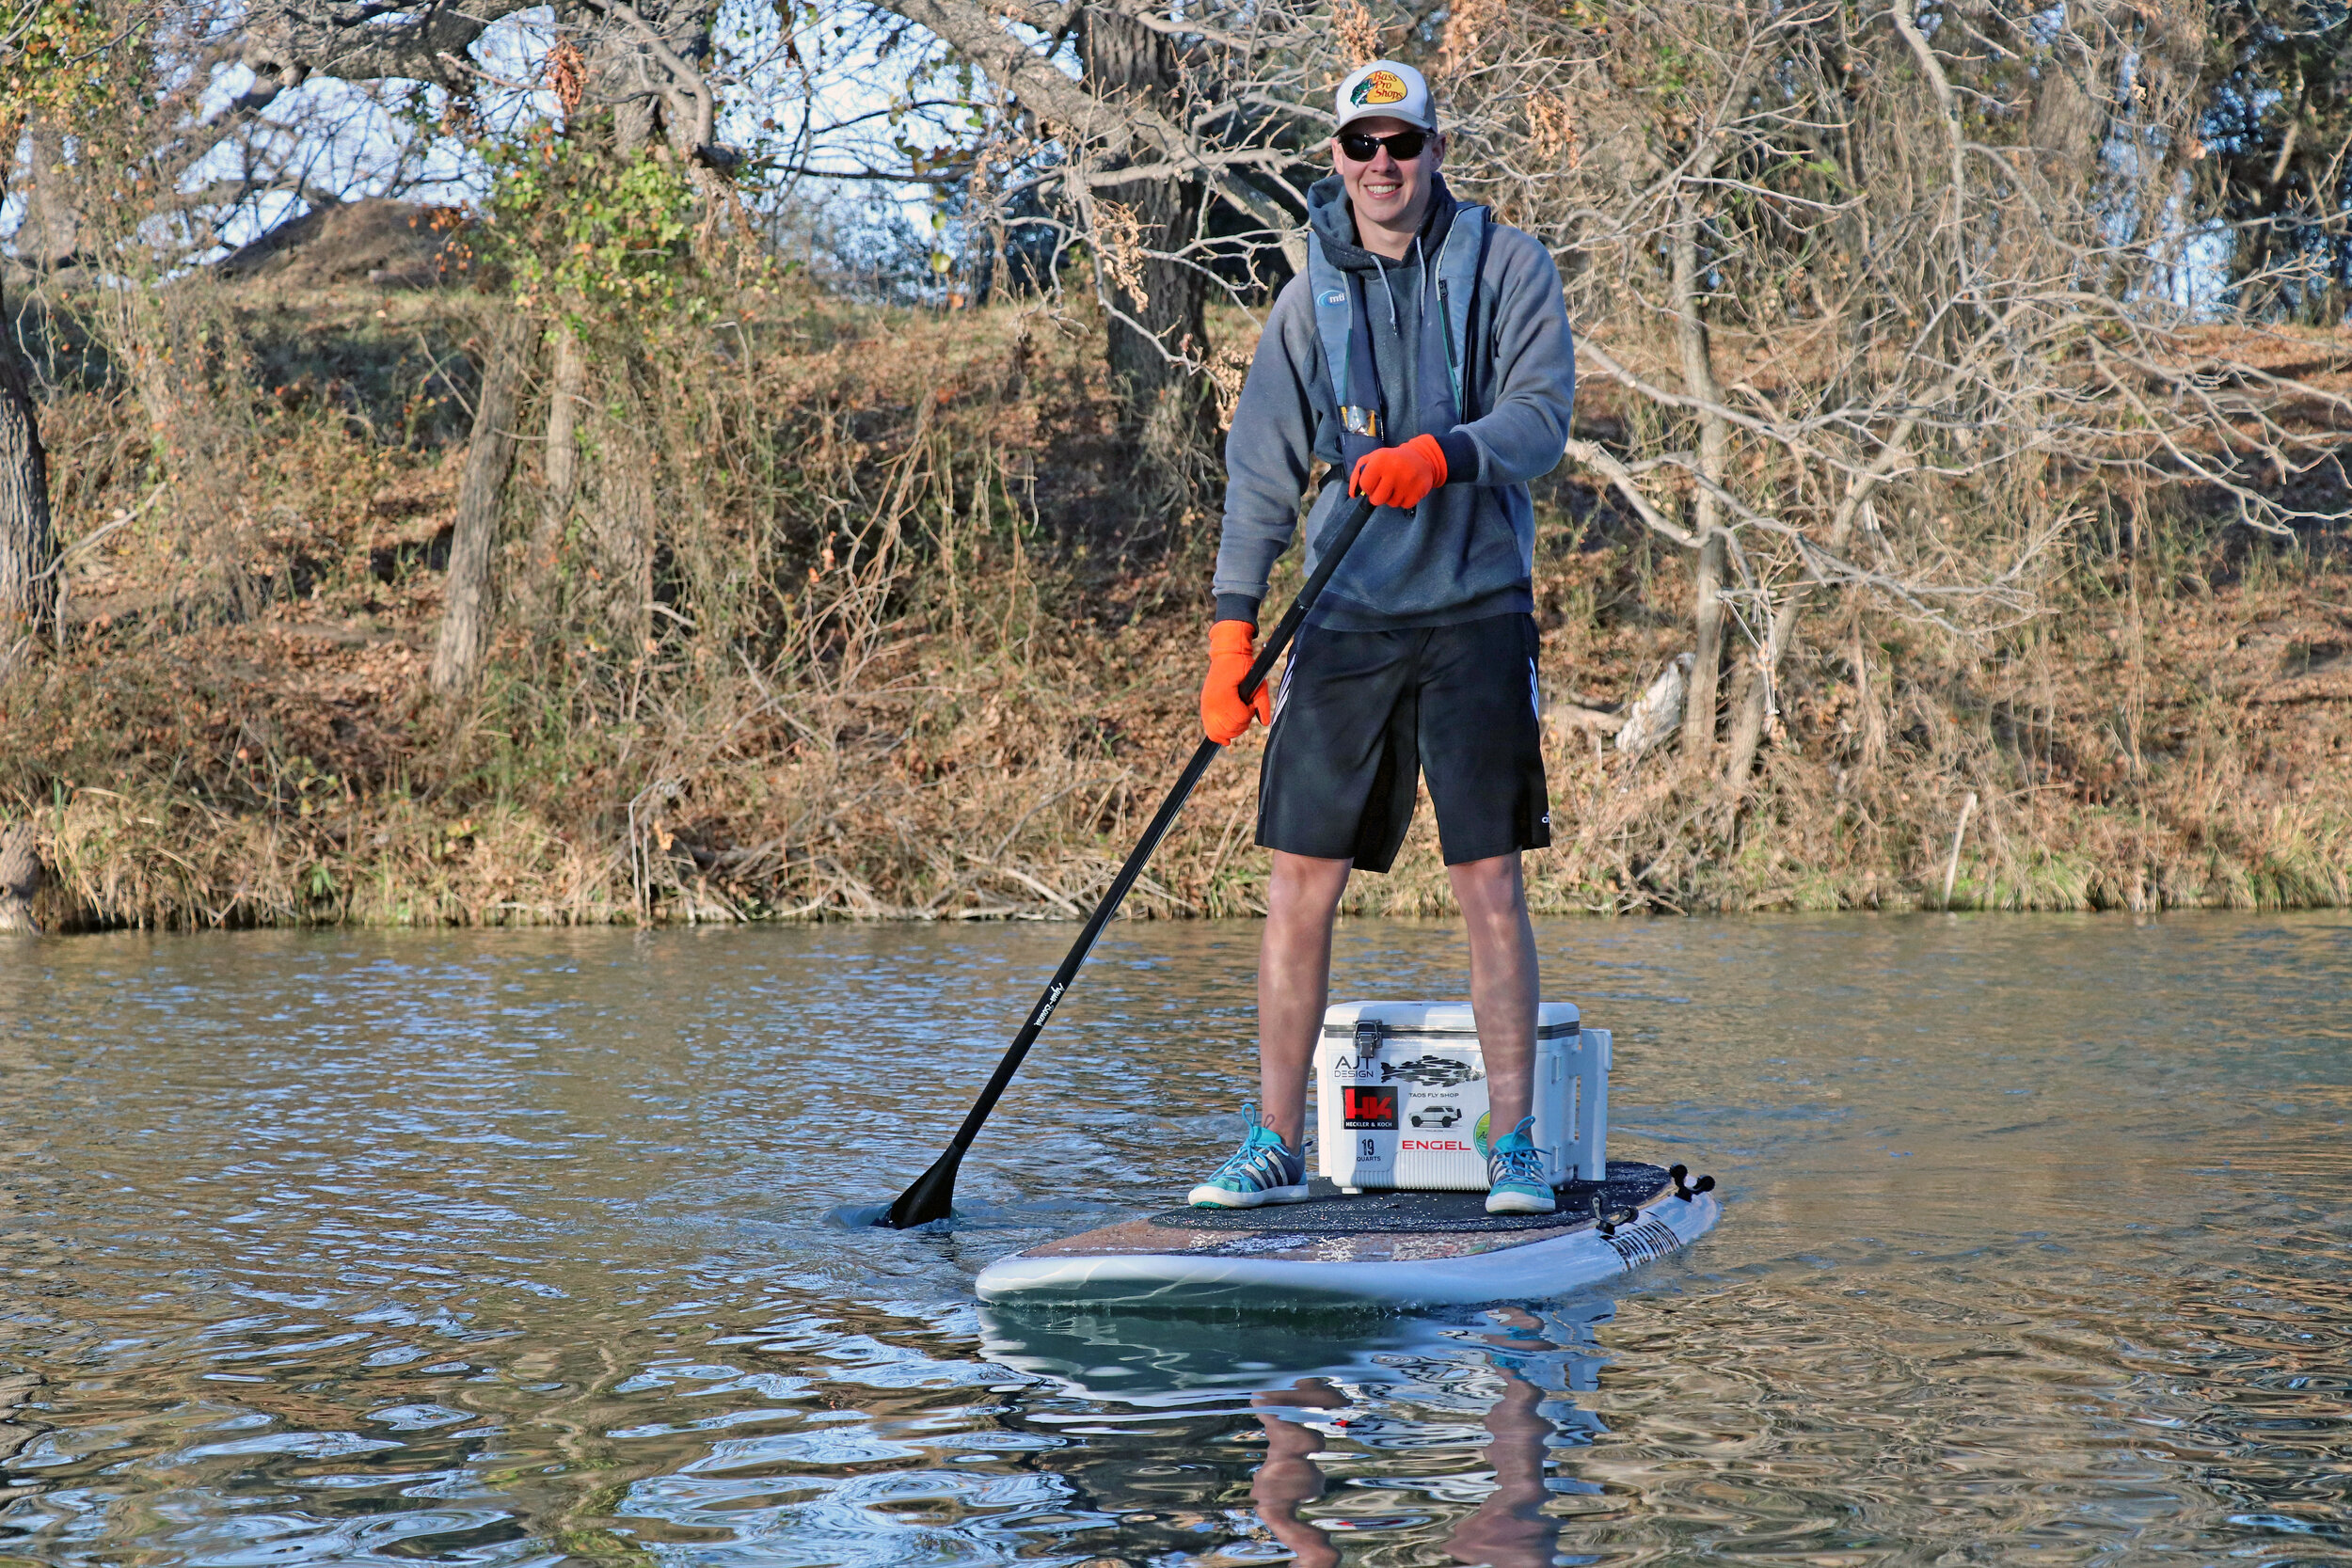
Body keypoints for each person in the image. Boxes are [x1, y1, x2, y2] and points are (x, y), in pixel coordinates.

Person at [1186, 59, 1576, 1216]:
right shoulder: (1309, 296)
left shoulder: (1508, 266)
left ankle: (1512, 1148)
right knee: (1297, 879)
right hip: (1346, 612)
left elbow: (1541, 417)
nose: (1381, 165)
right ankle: (1271, 1141)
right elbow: (1259, 470)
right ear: (1338, 161)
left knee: (1487, 878)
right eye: (1361, 146)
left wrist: (1441, 453)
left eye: (1401, 143)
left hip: (1475, 607)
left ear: (1435, 152)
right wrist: (1230, 634)